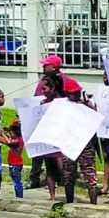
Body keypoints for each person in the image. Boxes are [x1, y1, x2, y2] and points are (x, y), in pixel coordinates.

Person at [29, 54, 75, 189]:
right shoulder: (43, 80)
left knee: (58, 153)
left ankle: (64, 178)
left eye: (45, 64)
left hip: (57, 120)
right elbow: (36, 97)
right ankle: (35, 177)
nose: (43, 66)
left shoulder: (64, 80)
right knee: (38, 150)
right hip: (41, 119)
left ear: (53, 67)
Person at [60, 78, 101, 205]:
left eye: (78, 92)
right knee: (68, 175)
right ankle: (69, 202)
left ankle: (93, 205)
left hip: (86, 145)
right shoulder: (62, 106)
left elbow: (95, 118)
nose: (76, 94)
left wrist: (85, 103)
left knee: (90, 176)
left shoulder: (87, 104)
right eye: (73, 93)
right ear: (67, 93)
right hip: (69, 144)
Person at [2, 123, 25, 198]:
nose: (10, 134)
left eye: (11, 133)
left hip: (14, 164)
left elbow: (9, 142)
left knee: (17, 182)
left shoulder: (17, 141)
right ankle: (19, 196)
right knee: (17, 181)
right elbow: (10, 140)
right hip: (17, 163)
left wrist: (3, 134)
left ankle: (19, 197)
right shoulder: (19, 139)